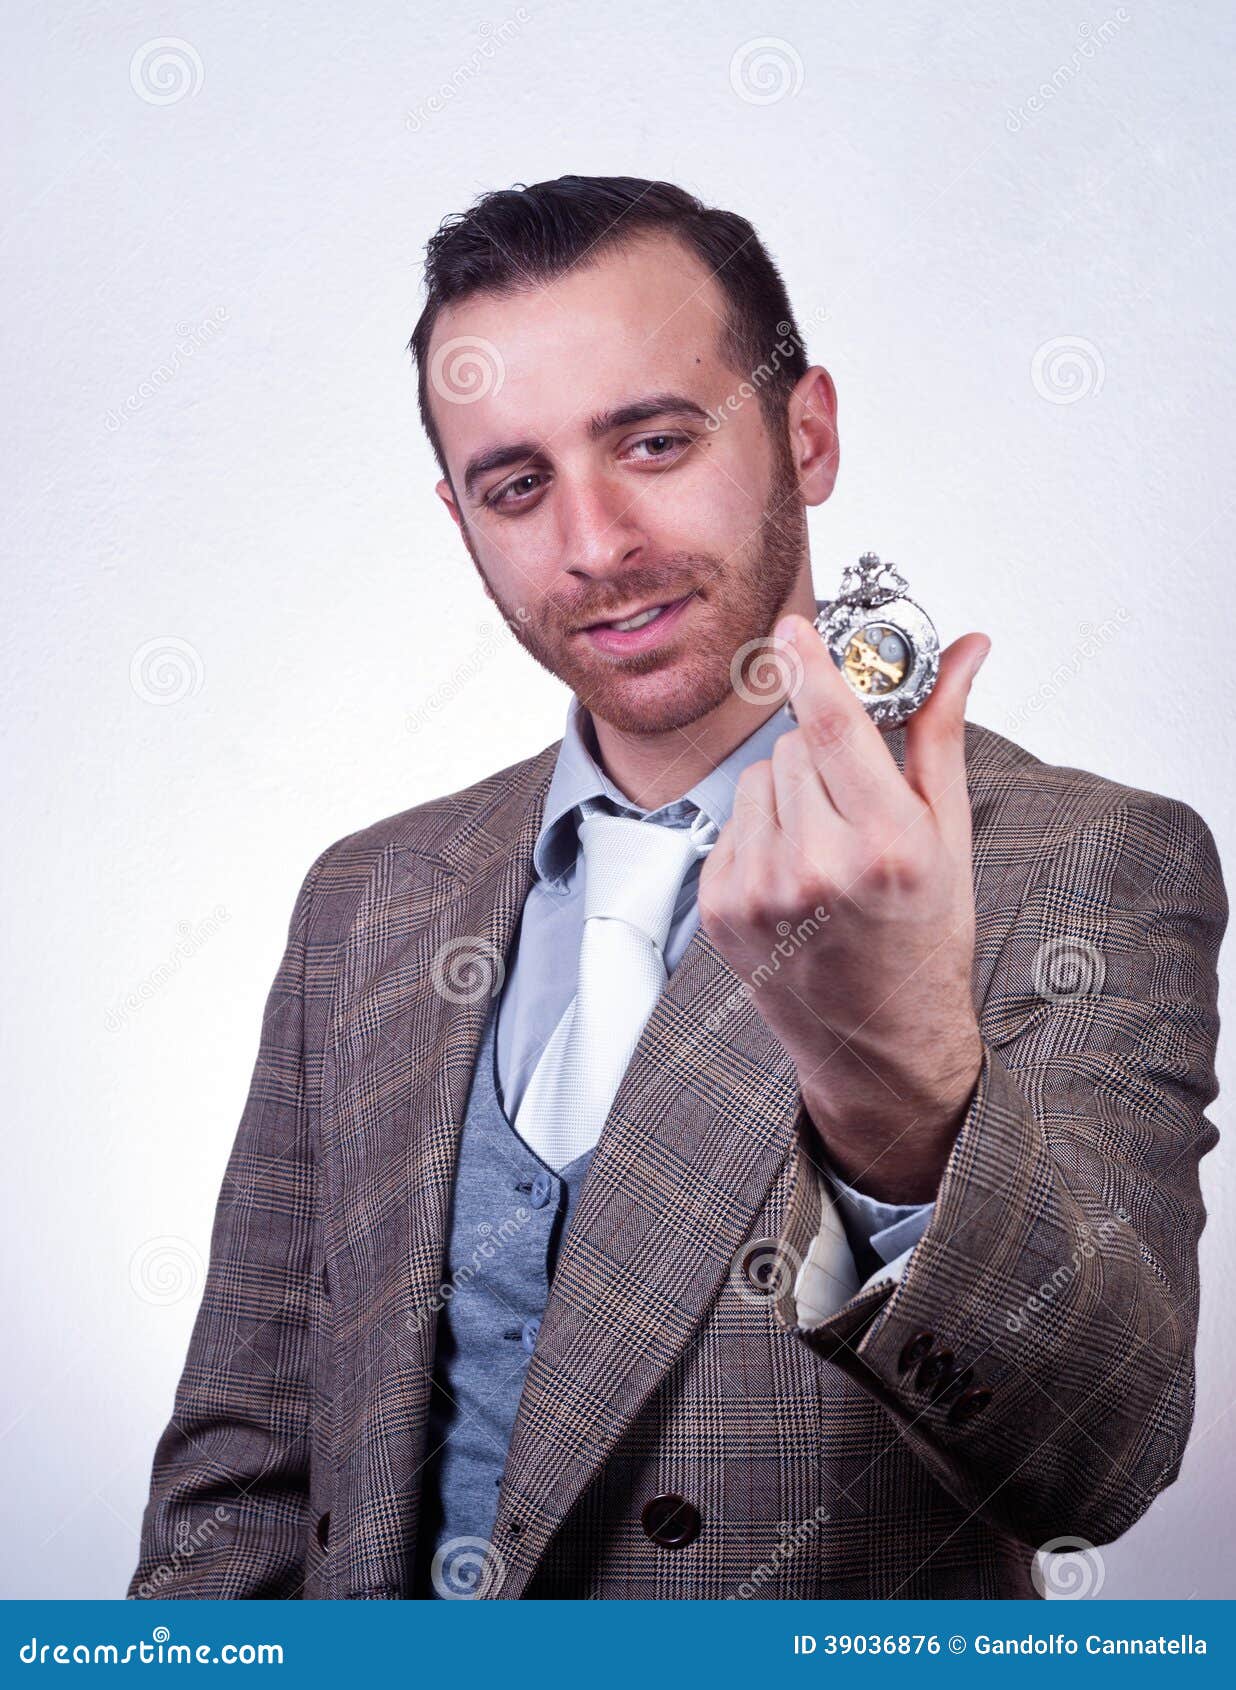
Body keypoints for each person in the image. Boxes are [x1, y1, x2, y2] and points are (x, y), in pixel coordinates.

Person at [128, 176, 1227, 1601]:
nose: (593, 543)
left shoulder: (1074, 859)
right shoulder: (368, 897)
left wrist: (903, 1093)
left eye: (653, 440)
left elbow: (1099, 1456)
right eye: (517, 484)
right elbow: (244, 1469)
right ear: (459, 515)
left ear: (805, 431)